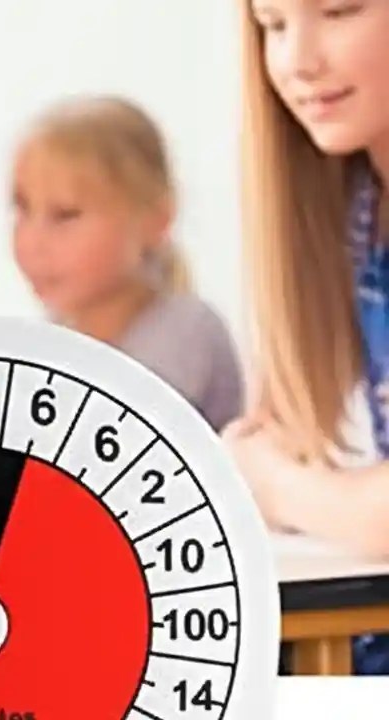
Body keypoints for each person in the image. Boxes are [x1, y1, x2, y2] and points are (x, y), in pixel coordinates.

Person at [223, 0, 389, 674]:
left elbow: (261, 464)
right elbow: (267, 433)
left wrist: (275, 484)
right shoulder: (349, 209)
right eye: (274, 26)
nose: (297, 61)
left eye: (339, 10)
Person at [11, 95, 243, 431]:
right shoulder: (53, 343)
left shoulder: (186, 332)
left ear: (156, 221)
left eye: (65, 215)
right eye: (21, 210)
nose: (32, 242)